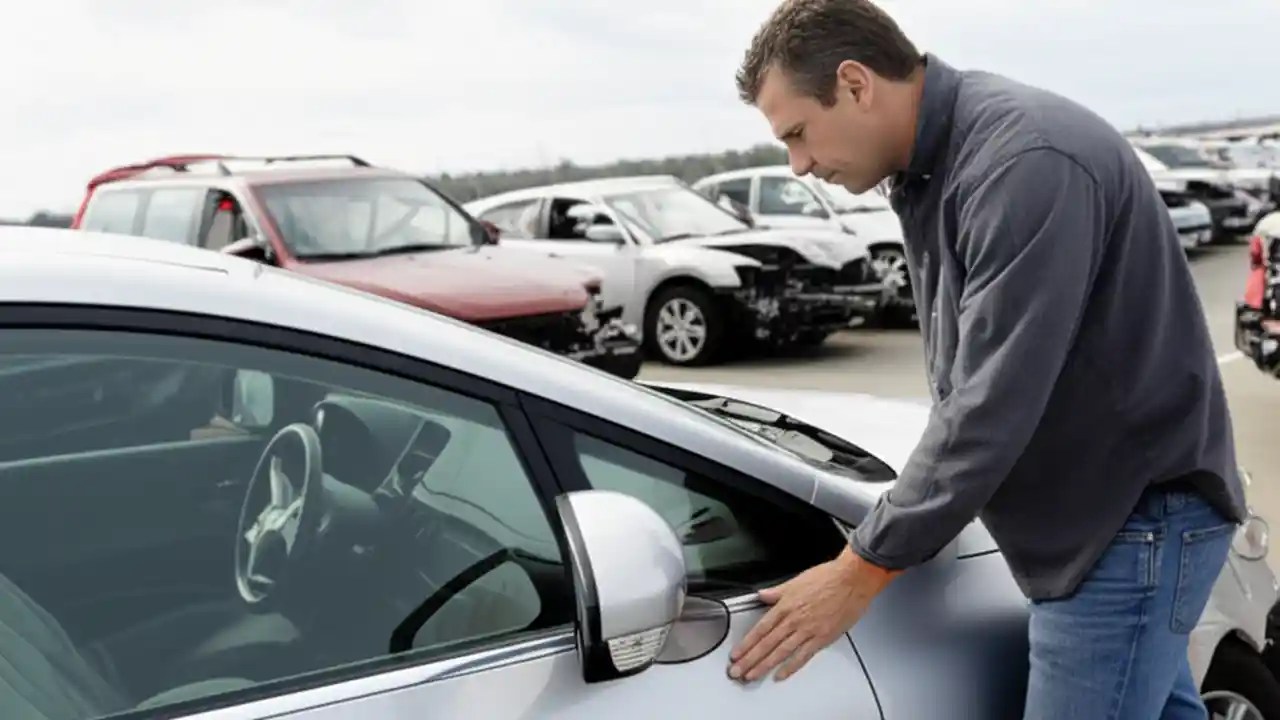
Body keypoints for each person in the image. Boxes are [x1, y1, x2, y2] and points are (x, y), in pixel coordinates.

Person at [724, 1, 1246, 717]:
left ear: (854, 83)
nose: (800, 164)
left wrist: (861, 568)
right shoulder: (934, 168)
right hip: (1108, 518)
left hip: (1128, 525)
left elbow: (990, 401)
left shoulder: (1022, 162)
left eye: (797, 133)